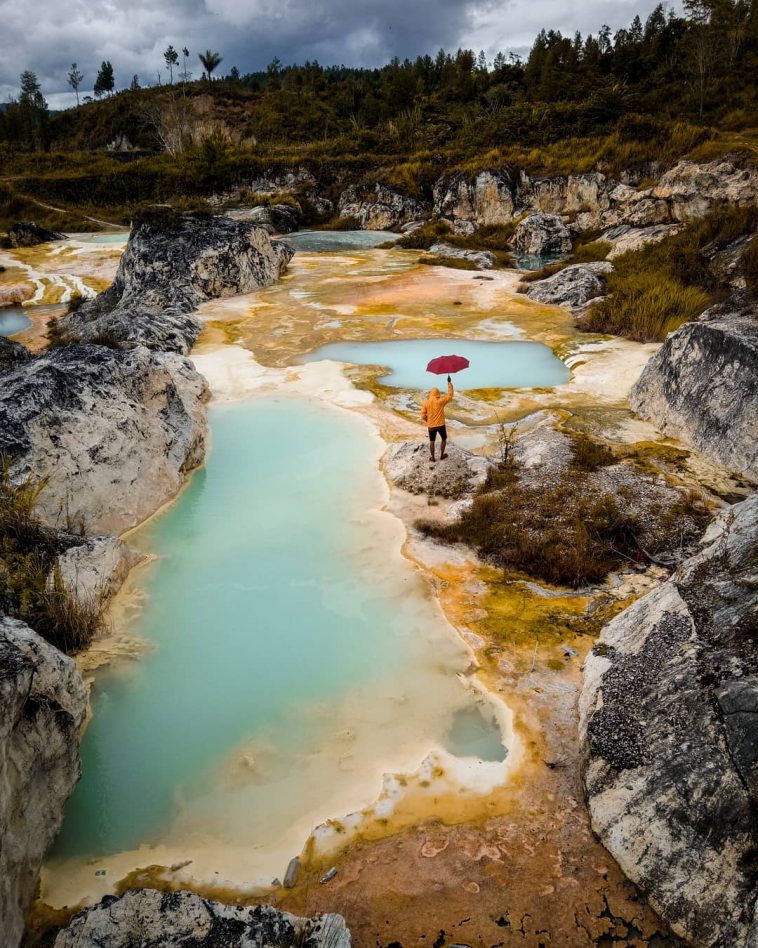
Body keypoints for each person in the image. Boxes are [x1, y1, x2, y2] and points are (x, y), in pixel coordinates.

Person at [421, 375, 454, 462]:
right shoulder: (440, 401)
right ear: (438, 393)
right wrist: (449, 383)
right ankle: (442, 455)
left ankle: (433, 458)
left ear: (430, 394)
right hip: (441, 425)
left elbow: (422, 415)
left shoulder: (426, 403)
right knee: (444, 439)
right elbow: (450, 395)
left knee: (432, 441)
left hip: (431, 426)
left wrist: (427, 420)